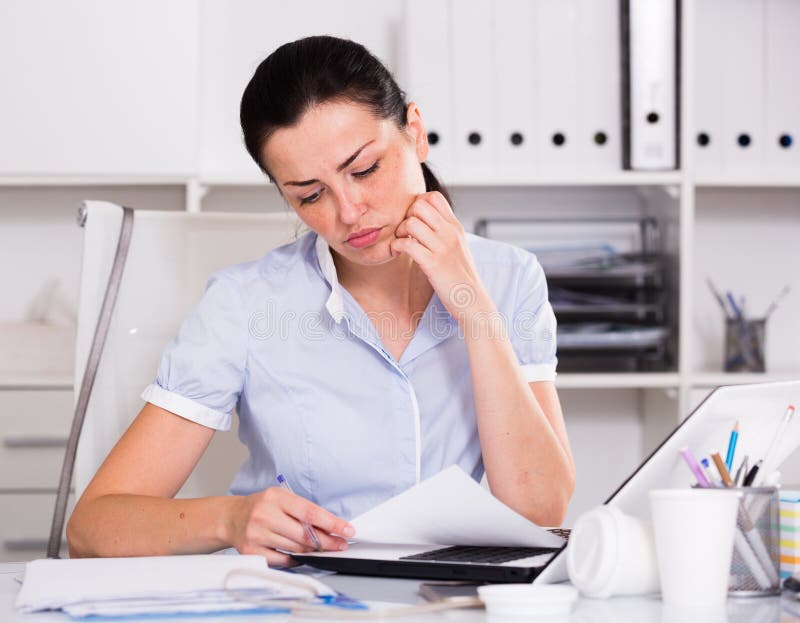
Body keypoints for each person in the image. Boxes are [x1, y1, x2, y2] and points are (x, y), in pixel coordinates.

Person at [67, 35, 575, 566]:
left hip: (453, 600)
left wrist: (472, 307)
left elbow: (540, 510)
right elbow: (93, 527)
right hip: (302, 599)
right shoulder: (245, 303)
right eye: (310, 195)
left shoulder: (510, 277)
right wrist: (229, 519)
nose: (349, 211)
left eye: (365, 169)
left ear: (416, 133)